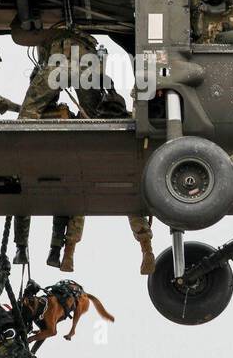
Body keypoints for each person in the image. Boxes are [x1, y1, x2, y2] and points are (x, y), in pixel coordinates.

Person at [14, 37, 156, 273]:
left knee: (77, 199)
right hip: (119, 164)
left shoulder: (65, 102)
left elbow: (30, 115)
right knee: (131, 199)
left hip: (85, 162)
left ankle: (67, 252)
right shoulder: (121, 118)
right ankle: (146, 248)